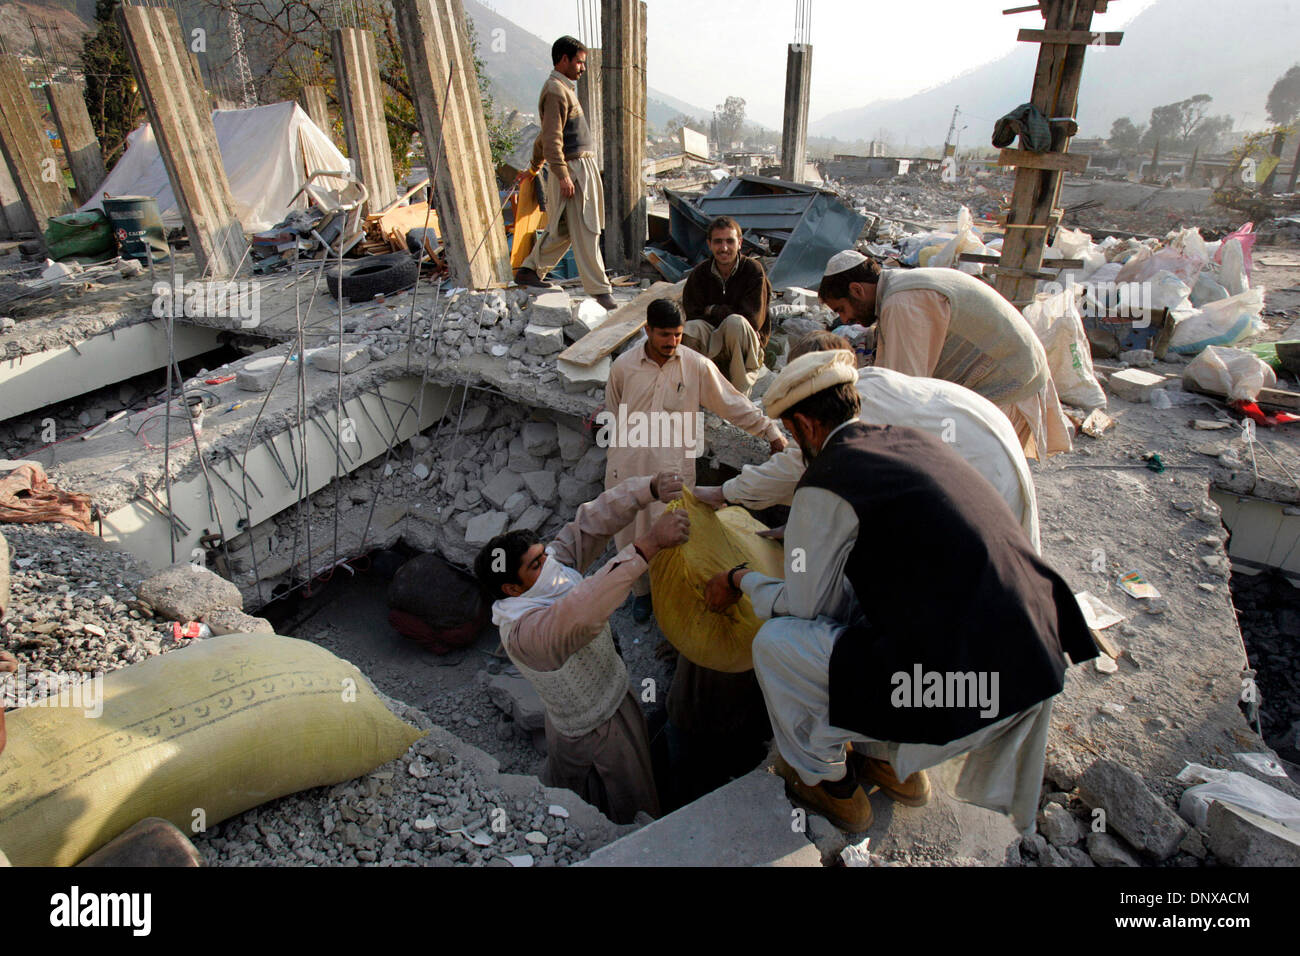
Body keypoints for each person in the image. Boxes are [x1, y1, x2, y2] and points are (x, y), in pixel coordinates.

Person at [704, 350, 1097, 832]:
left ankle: (830, 786)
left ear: (805, 425)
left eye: (790, 432)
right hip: (1031, 664)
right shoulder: (910, 441)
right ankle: (893, 768)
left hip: (961, 693)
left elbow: (807, 608)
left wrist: (740, 579)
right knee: (872, 616)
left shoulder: (828, 479)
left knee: (779, 644)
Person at [696, 330, 1041, 553]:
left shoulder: (853, 407)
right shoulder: (867, 386)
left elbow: (799, 467)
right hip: (986, 433)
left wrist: (725, 493)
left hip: (981, 468)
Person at [473, 472, 690, 824]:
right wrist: (648, 545)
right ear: (512, 589)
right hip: (594, 727)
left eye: (543, 555)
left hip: (614, 695)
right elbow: (582, 608)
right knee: (625, 795)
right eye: (536, 564)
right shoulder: (526, 634)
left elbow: (589, 523)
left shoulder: (549, 577)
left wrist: (648, 489)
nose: (549, 563)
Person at [603, 297, 785, 624]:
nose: (672, 342)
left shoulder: (696, 366)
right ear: (647, 331)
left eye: (677, 335)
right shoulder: (623, 366)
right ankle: (640, 593)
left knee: (671, 536)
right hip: (626, 468)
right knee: (628, 534)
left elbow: (732, 404)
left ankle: (670, 595)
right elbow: (614, 411)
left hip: (670, 473)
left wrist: (770, 431)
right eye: (664, 335)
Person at [817, 251, 1073, 459]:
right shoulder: (900, 289)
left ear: (857, 290)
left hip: (1006, 384)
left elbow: (900, 392)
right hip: (1014, 374)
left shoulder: (902, 302)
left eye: (841, 309)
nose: (845, 319)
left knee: (959, 477)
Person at [514, 36, 616, 311]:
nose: (582, 68)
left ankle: (530, 271)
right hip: (574, 169)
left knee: (563, 229)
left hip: (575, 168)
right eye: (579, 62)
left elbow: (543, 138)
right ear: (563, 60)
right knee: (588, 227)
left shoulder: (562, 90)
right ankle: (600, 292)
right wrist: (562, 175)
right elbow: (552, 141)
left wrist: (534, 168)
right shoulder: (556, 91)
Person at [681, 216, 772, 395]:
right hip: (713, 338)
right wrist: (725, 314)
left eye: (730, 241)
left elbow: (752, 319)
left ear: (739, 243)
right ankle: (695, 391)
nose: (724, 248)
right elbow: (693, 312)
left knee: (735, 323)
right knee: (691, 328)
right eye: (718, 242)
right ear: (709, 244)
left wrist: (713, 309)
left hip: (745, 341)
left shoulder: (753, 270)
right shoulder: (700, 274)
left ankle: (738, 396)